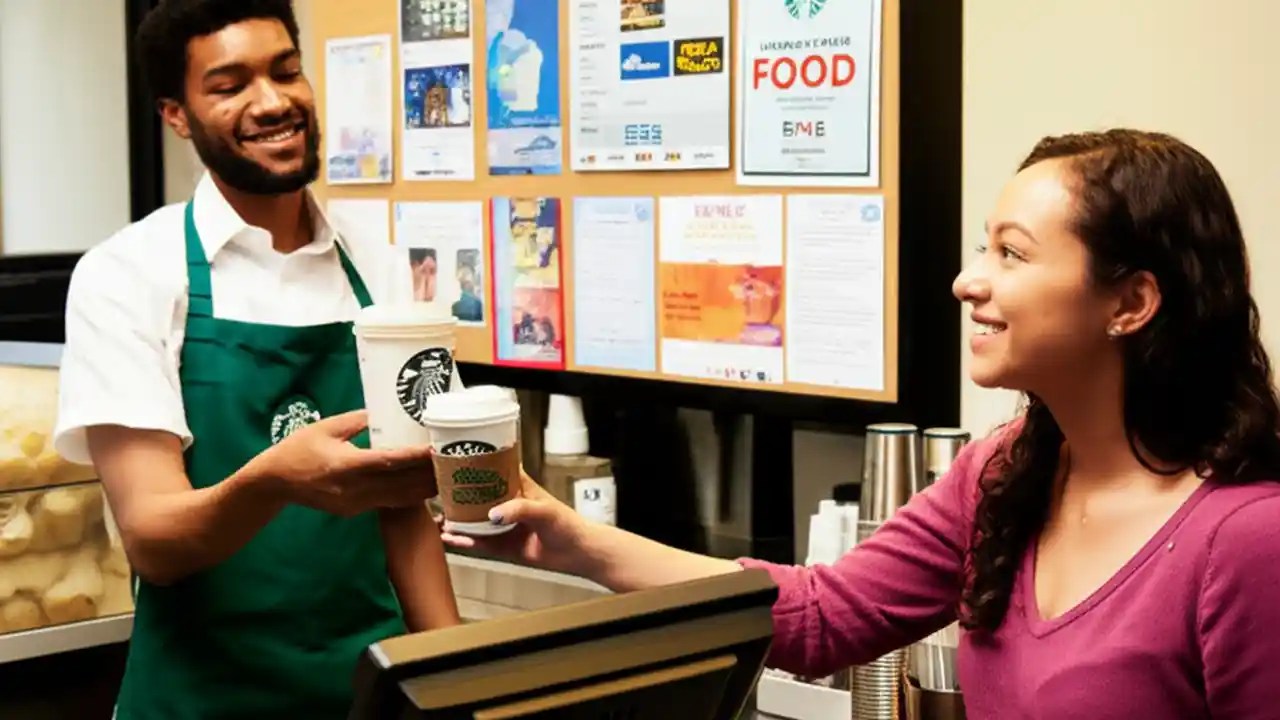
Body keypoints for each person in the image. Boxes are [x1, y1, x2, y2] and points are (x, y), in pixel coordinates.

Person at [445, 129, 1280, 718]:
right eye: (982, 248)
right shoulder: (1006, 473)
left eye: (1013, 254)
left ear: (1131, 302)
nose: (966, 281)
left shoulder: (1245, 539)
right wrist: (575, 544)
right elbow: (818, 618)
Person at [52, 1, 459, 717]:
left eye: (287, 71)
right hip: (197, 700)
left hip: (366, 693)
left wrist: (459, 683)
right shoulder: (129, 276)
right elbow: (153, 539)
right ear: (177, 115)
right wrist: (275, 481)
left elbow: (404, 510)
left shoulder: (378, 266)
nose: (273, 102)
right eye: (230, 84)